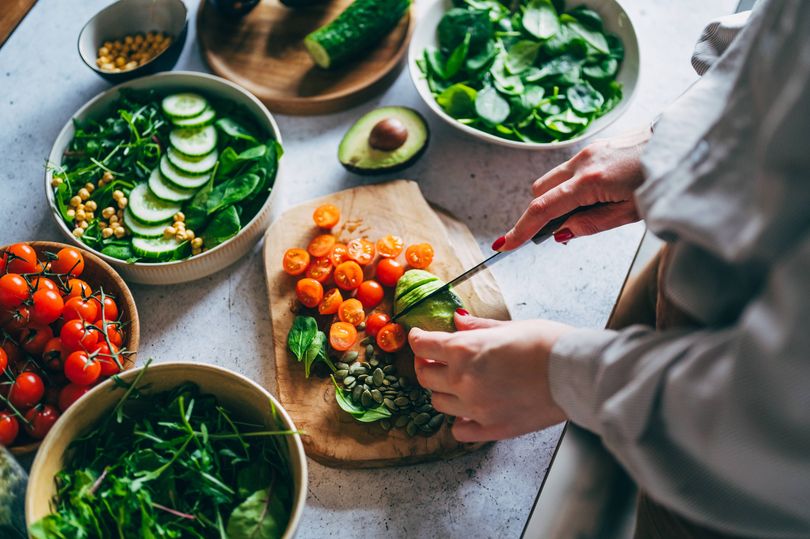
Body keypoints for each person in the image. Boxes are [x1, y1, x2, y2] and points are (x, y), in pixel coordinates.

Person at [408, 0, 810, 537]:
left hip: (736, 481)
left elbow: (776, 424)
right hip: (706, 270)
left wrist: (562, 375)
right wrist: (679, 143)